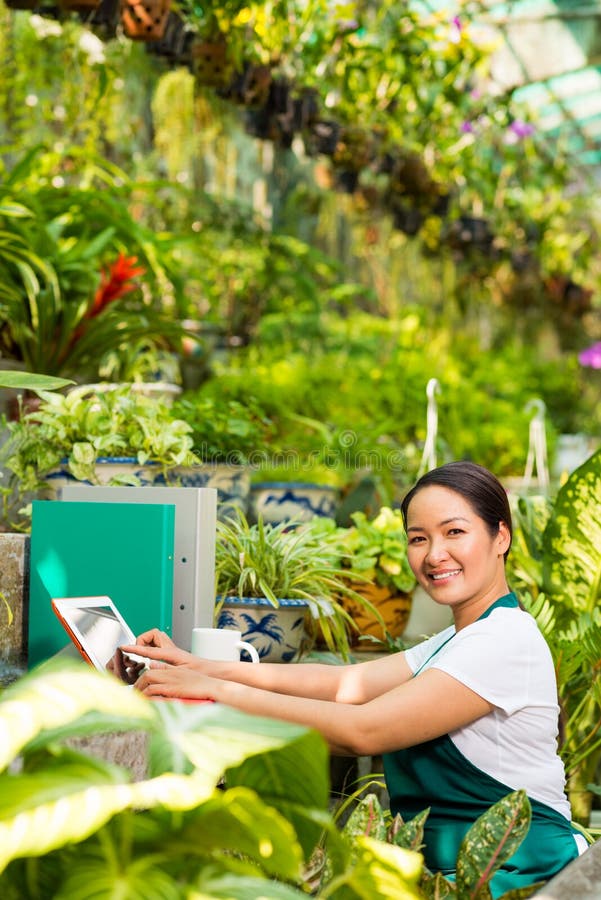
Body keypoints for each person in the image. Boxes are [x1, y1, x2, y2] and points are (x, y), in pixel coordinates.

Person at [116, 461, 584, 896]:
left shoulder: (502, 641)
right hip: (457, 879)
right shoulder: (463, 637)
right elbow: (345, 683)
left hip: (521, 881)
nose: (434, 554)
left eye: (454, 532)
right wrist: (195, 666)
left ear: (500, 536)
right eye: (418, 538)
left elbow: (365, 730)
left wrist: (218, 694)